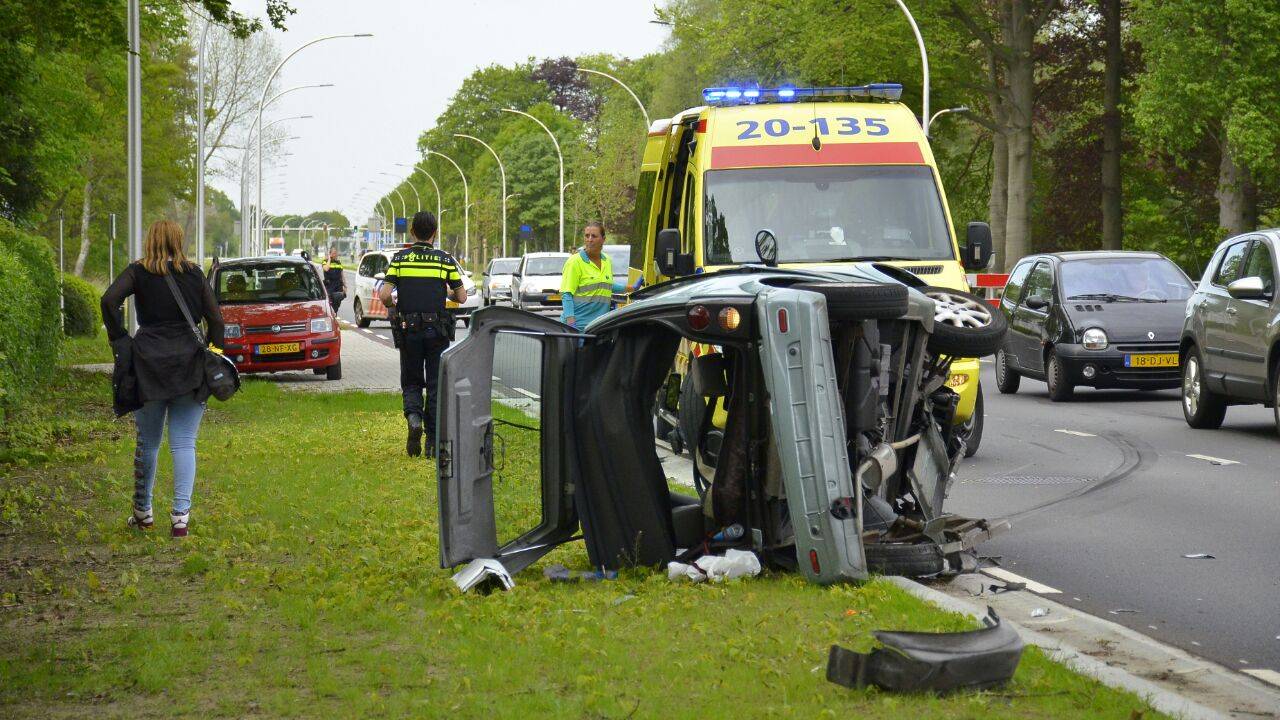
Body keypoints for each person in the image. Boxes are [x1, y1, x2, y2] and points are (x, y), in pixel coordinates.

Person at [101, 220, 225, 538]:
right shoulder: (194, 273)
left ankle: (143, 512)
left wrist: (120, 337)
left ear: (151, 240)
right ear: (178, 240)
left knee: (149, 441)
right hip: (190, 365)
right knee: (184, 442)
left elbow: (108, 300)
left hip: (148, 365)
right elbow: (216, 319)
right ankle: (180, 518)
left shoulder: (138, 272)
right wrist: (214, 351)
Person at [378, 211, 466, 457]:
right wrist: (445, 293)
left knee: (412, 381)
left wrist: (393, 305)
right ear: (435, 233)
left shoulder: (400, 259)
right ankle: (432, 443)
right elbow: (461, 297)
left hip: (409, 331)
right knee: (436, 385)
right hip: (437, 332)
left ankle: (414, 418)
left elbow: (384, 295)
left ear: (412, 232)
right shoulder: (444, 260)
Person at [560, 222, 632, 329]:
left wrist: (632, 288)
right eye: (587, 236)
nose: (589, 239)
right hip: (578, 326)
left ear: (603, 239)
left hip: (599, 325)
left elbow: (606, 285)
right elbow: (566, 294)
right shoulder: (574, 262)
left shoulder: (607, 260)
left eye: (594, 236)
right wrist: (571, 325)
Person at [322, 247, 347, 313]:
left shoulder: (339, 263)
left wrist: (345, 286)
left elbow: (342, 275)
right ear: (330, 254)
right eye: (333, 253)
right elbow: (326, 269)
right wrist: (329, 259)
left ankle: (334, 313)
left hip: (338, 285)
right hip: (329, 286)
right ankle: (332, 314)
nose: (335, 255)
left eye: (336, 253)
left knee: (338, 301)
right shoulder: (325, 261)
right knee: (330, 303)